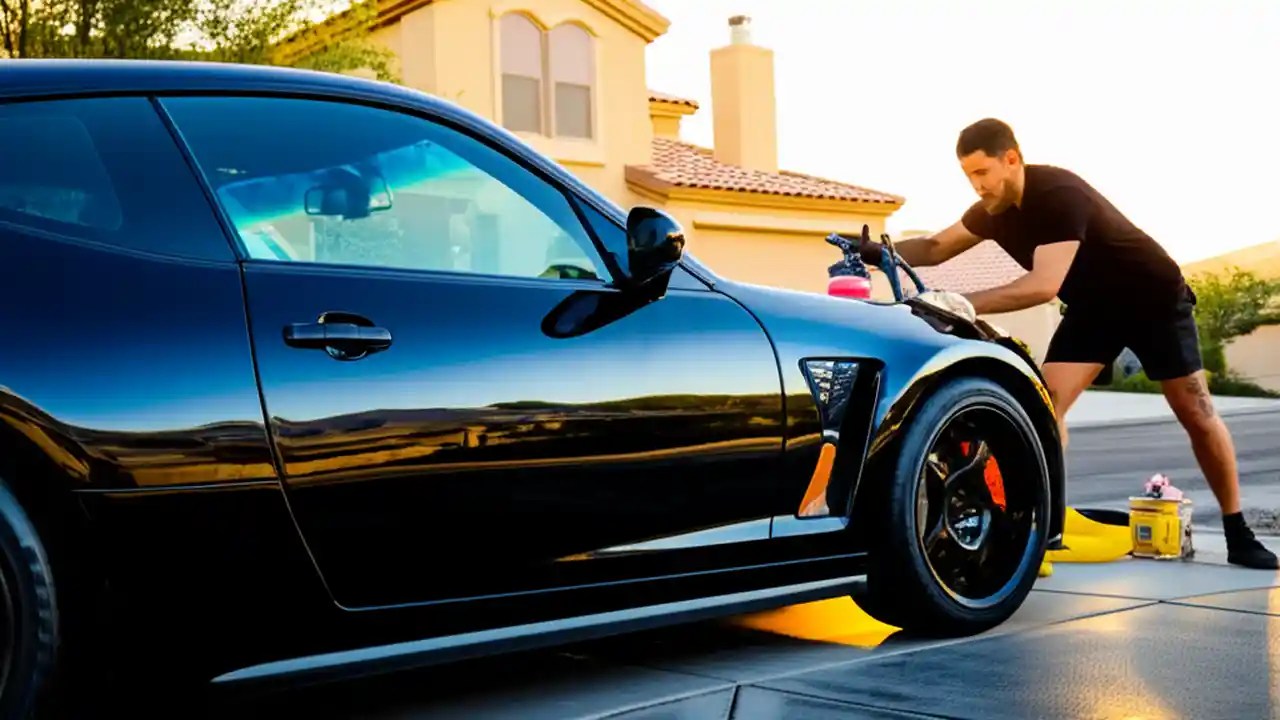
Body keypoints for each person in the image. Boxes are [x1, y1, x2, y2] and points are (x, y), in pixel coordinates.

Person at [852, 118, 1278, 570]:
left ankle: (1239, 533)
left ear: (1011, 159)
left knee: (1197, 412)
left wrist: (960, 303)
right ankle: (1044, 527)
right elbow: (937, 247)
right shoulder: (992, 212)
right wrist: (882, 252)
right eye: (968, 176)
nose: (977, 186)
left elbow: (1041, 285)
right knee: (1045, 407)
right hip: (1095, 309)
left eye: (982, 173)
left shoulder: (1057, 195)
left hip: (1152, 297)